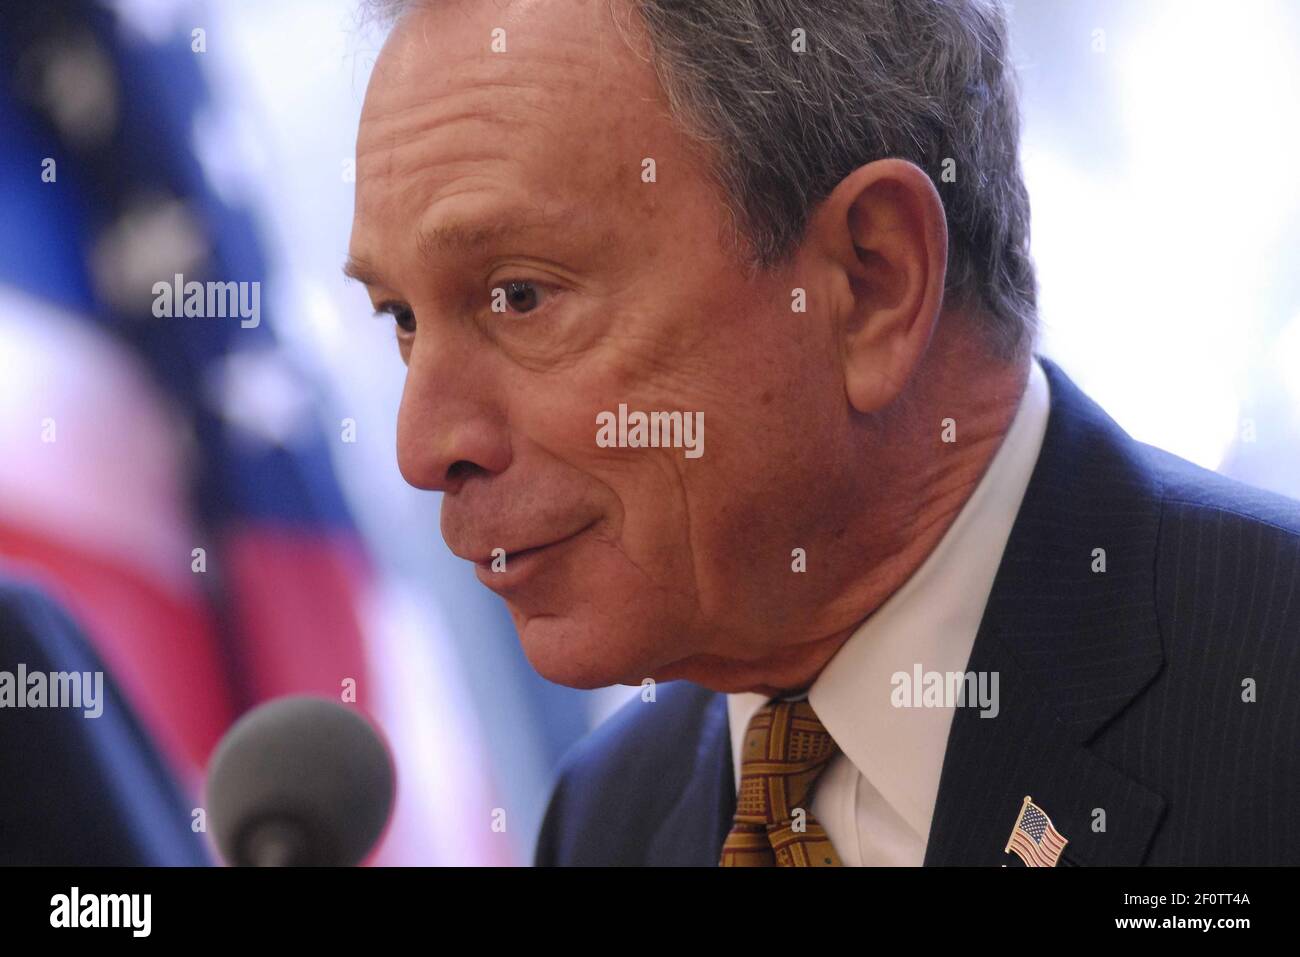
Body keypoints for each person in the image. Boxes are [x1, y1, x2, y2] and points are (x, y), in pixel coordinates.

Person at [348, 0, 1300, 865]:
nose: (423, 447)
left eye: (518, 296)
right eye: (401, 318)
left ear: (871, 283)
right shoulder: (606, 823)